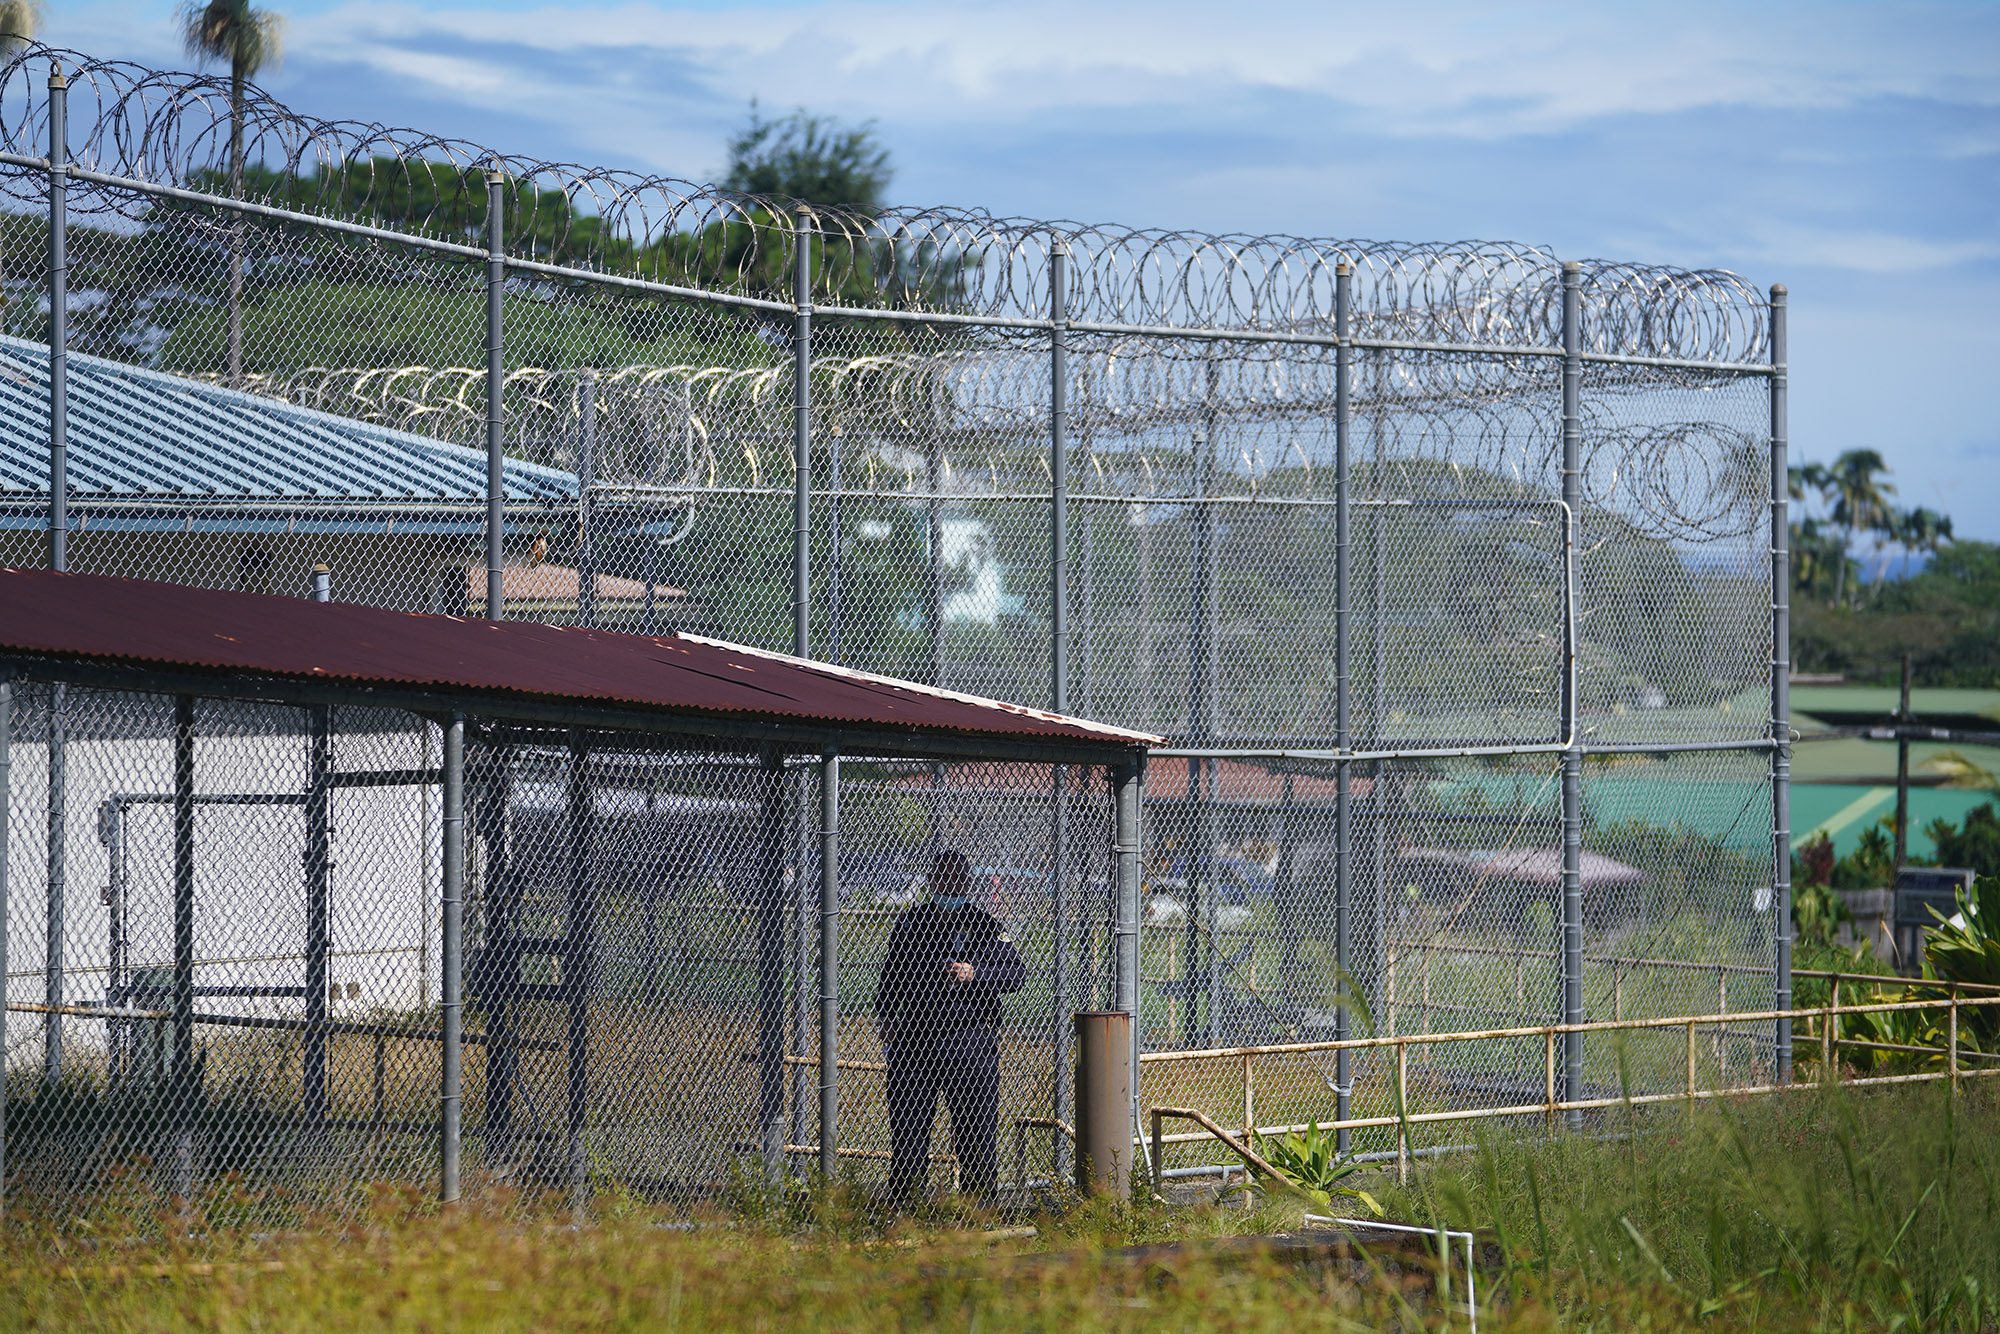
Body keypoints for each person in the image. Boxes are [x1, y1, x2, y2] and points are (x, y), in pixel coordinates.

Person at [876, 849, 1024, 1202]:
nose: (950, 884)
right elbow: (890, 978)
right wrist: (885, 1018)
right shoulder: (912, 922)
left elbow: (1016, 973)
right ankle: (906, 1205)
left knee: (976, 1128)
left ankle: (978, 1207)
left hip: (969, 1039)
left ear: (967, 883)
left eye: (958, 878)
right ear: (931, 880)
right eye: (943, 877)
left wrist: (976, 974)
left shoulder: (984, 924)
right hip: (914, 1042)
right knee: (908, 1131)